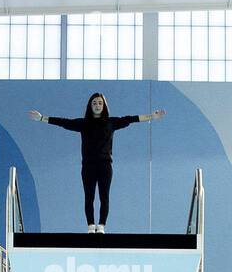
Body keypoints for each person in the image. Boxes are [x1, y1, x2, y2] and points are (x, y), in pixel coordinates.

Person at [28, 93, 166, 233]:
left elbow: (131, 119)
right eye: (94, 103)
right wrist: (41, 118)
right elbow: (64, 122)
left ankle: (101, 225)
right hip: (88, 166)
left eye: (100, 103)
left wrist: (152, 116)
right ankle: (90, 225)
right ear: (90, 106)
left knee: (104, 195)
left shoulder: (111, 122)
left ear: (104, 106)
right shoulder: (83, 123)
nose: (97, 105)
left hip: (105, 165)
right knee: (89, 196)